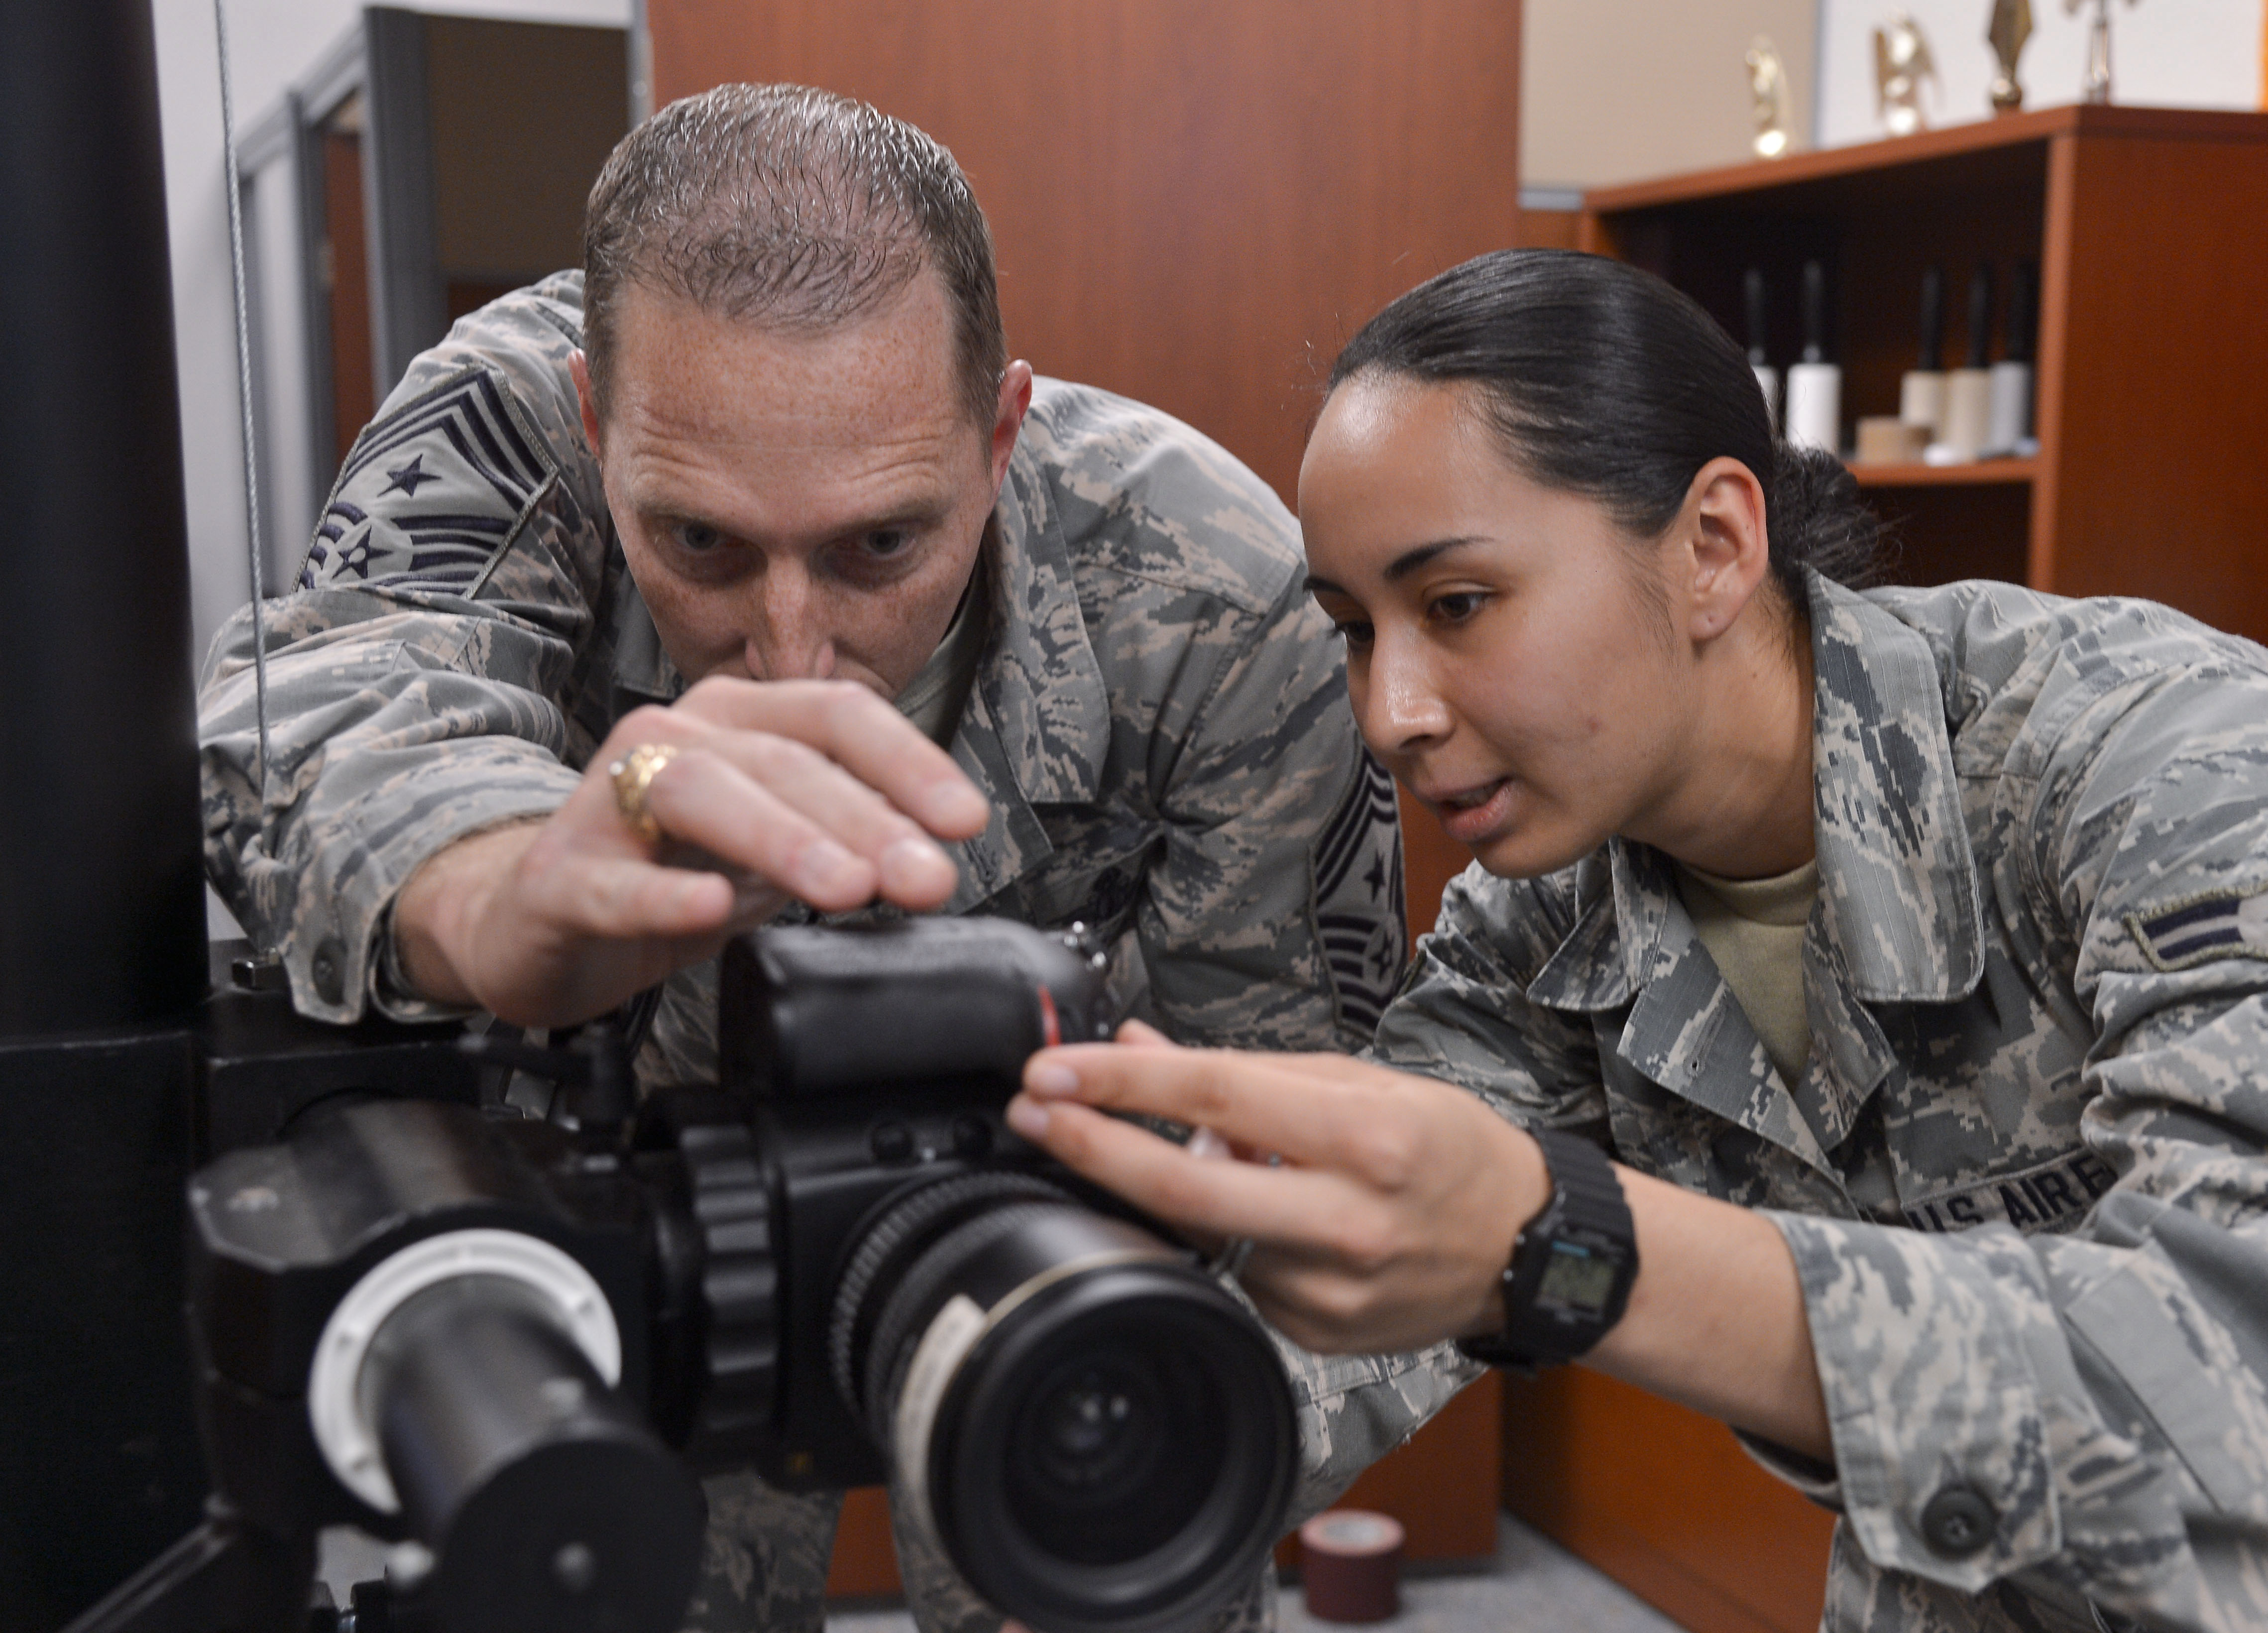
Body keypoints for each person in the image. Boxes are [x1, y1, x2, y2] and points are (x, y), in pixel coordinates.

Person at [198, 85, 1439, 1633]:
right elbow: (331, 715)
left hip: (1040, 1232)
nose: (790, 647)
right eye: (702, 546)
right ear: (599, 428)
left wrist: (1165, 1420)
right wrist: (502, 888)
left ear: (1000, 436)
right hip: (633, 1247)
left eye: (878, 548)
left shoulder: (1199, 578)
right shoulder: (510, 415)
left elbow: (1283, 1113)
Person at [1005, 248, 2268, 1633]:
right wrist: (1082, 1439)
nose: (1391, 712)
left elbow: (2225, 1374)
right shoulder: (1545, 916)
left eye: (1456, 606)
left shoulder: (2167, 767)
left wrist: (1564, 1245)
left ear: (1713, 547)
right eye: (1355, 632)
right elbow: (1347, 1285)